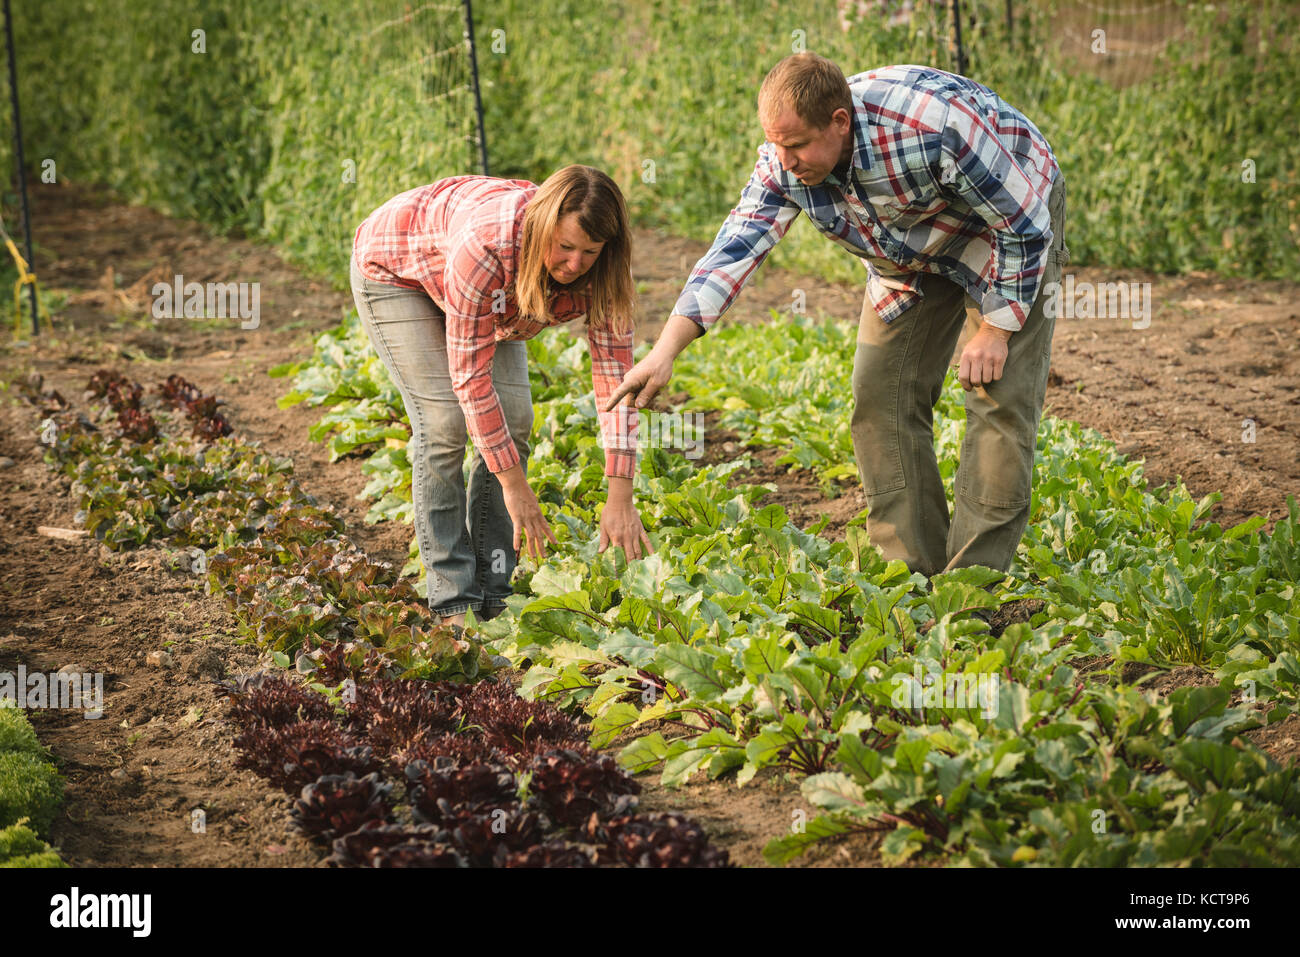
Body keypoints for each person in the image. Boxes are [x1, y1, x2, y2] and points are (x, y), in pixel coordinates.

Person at [607, 54, 1069, 578]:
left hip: (1006, 225)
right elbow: (734, 251)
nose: (785, 160)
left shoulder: (935, 129)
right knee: (879, 394)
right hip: (905, 251)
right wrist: (665, 351)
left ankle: (972, 586)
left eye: (797, 145)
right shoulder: (783, 163)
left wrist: (994, 329)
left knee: (995, 396)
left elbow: (1023, 224)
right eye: (776, 145)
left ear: (840, 122)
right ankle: (909, 573)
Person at [351, 164, 652, 627]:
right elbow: (471, 381)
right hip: (398, 272)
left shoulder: (605, 271)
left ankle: (494, 590)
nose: (575, 265)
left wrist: (620, 496)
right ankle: (453, 597)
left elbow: (616, 380)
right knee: (446, 424)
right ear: (542, 226)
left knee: (514, 420)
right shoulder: (488, 247)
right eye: (565, 247)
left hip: (504, 298)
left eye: (589, 252)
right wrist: (515, 489)